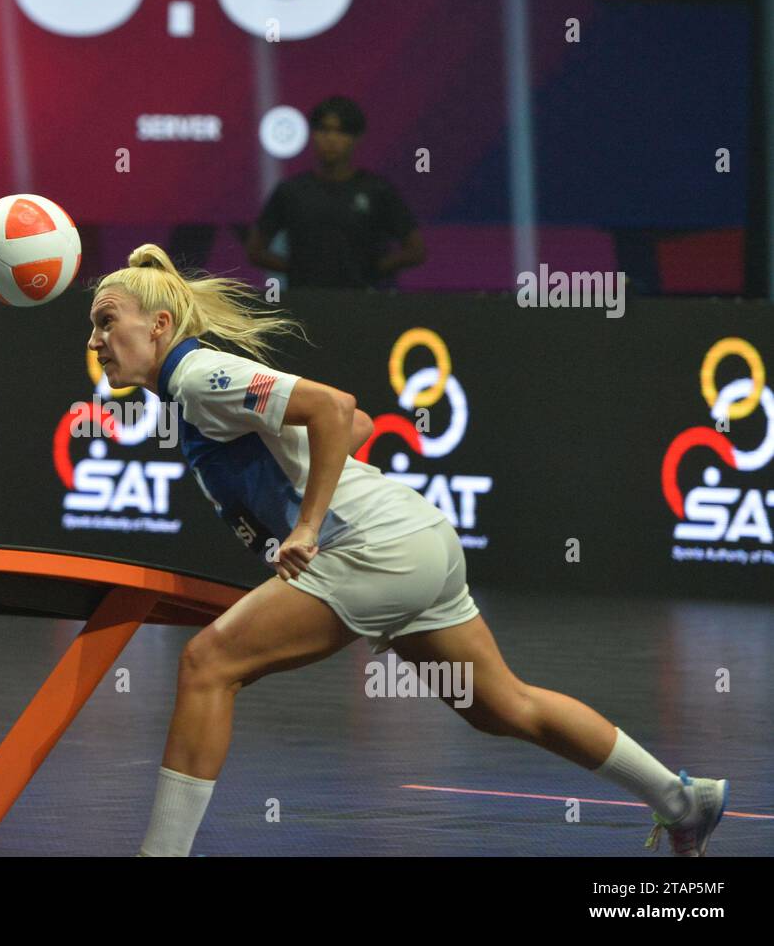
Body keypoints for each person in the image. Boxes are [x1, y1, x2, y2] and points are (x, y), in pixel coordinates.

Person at [86, 243, 728, 857]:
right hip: (421, 541)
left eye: (106, 323)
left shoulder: (197, 376)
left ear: (160, 325)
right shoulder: (190, 391)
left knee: (207, 664)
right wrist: (308, 489)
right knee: (505, 706)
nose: (94, 342)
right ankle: (682, 801)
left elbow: (336, 409)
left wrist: (307, 527)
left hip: (374, 548)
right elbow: (354, 428)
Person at [246, 96, 425, 289]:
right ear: (312, 134)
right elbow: (255, 250)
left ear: (357, 138)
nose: (331, 139)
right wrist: (298, 269)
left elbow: (416, 250)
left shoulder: (377, 190)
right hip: (305, 303)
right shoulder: (291, 191)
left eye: (342, 132)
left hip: (362, 304)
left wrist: (369, 269)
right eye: (324, 129)